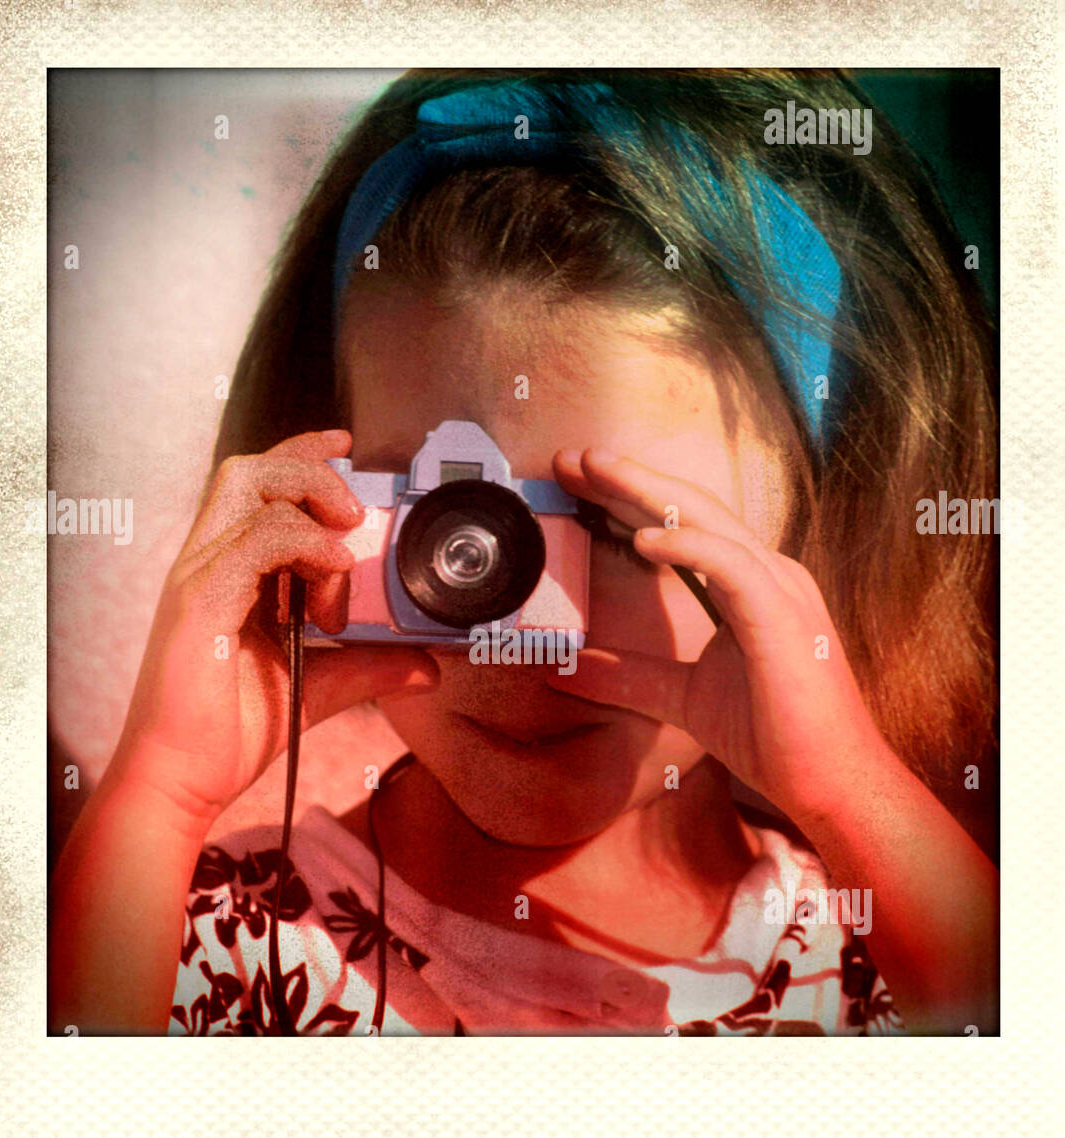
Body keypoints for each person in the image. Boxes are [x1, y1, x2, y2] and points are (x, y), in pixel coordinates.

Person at [49, 69, 998, 1037]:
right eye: (447, 523)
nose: (524, 629)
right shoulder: (205, 935)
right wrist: (158, 794)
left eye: (619, 529)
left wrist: (853, 797)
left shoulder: (876, 948)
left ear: (815, 527)